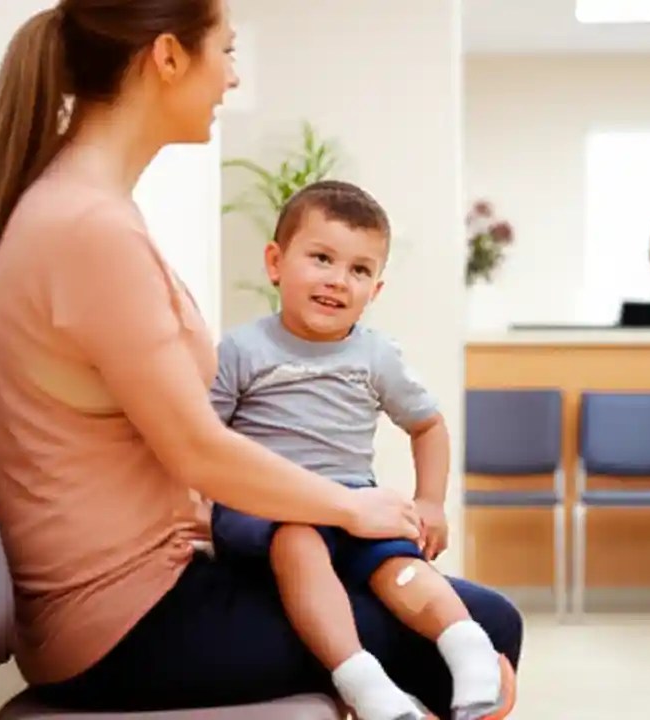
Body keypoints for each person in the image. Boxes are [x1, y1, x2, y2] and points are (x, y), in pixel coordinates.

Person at [0, 0, 521, 716]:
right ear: (168, 58)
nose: (233, 76)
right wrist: (353, 508)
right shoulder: (87, 228)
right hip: (124, 625)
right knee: (487, 632)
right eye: (226, 51)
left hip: (143, 591)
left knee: (472, 621)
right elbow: (199, 449)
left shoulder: (82, 209)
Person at [209, 179, 513, 720]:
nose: (337, 281)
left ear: (375, 290)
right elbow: (204, 442)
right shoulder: (241, 349)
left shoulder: (375, 355)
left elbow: (428, 425)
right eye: (321, 258)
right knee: (298, 537)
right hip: (268, 509)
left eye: (359, 270)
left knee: (400, 557)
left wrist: (430, 502)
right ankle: (363, 682)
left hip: (351, 501)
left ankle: (467, 648)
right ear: (276, 262)